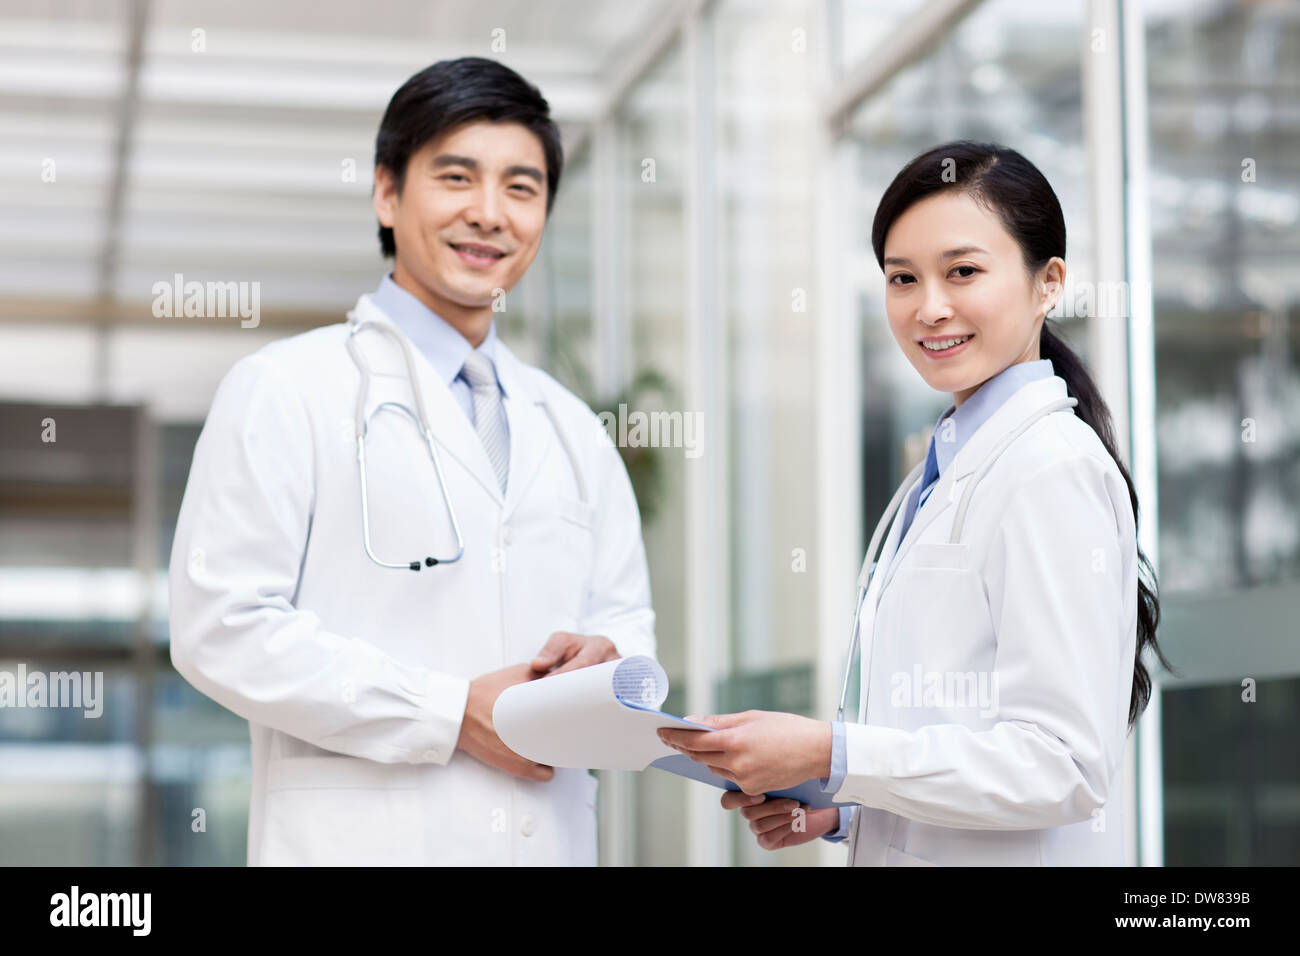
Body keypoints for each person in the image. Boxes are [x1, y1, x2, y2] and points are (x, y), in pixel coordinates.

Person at [169, 57, 655, 866]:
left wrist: (609, 665)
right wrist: (448, 711)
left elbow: (628, 624)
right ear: (387, 193)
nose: (490, 214)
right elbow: (221, 627)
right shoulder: (286, 388)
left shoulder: (572, 428)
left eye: (522, 188)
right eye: (457, 177)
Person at [659, 141, 1170, 866]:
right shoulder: (946, 464)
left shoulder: (1051, 469)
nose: (930, 308)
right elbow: (946, 728)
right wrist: (841, 808)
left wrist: (834, 751)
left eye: (963, 271)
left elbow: (1063, 766)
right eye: (903, 279)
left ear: (1048, 282)